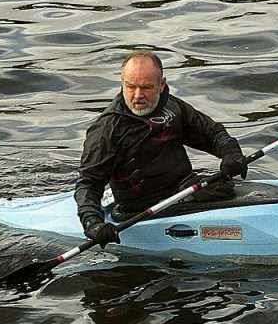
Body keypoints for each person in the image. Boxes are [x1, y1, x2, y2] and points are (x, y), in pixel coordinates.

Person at [75, 50, 248, 248]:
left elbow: (211, 133)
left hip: (183, 190)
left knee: (222, 184)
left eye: (146, 87)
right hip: (141, 209)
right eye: (130, 87)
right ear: (122, 83)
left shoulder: (171, 107)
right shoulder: (107, 130)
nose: (138, 96)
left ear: (161, 85)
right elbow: (88, 183)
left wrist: (231, 153)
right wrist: (94, 224)